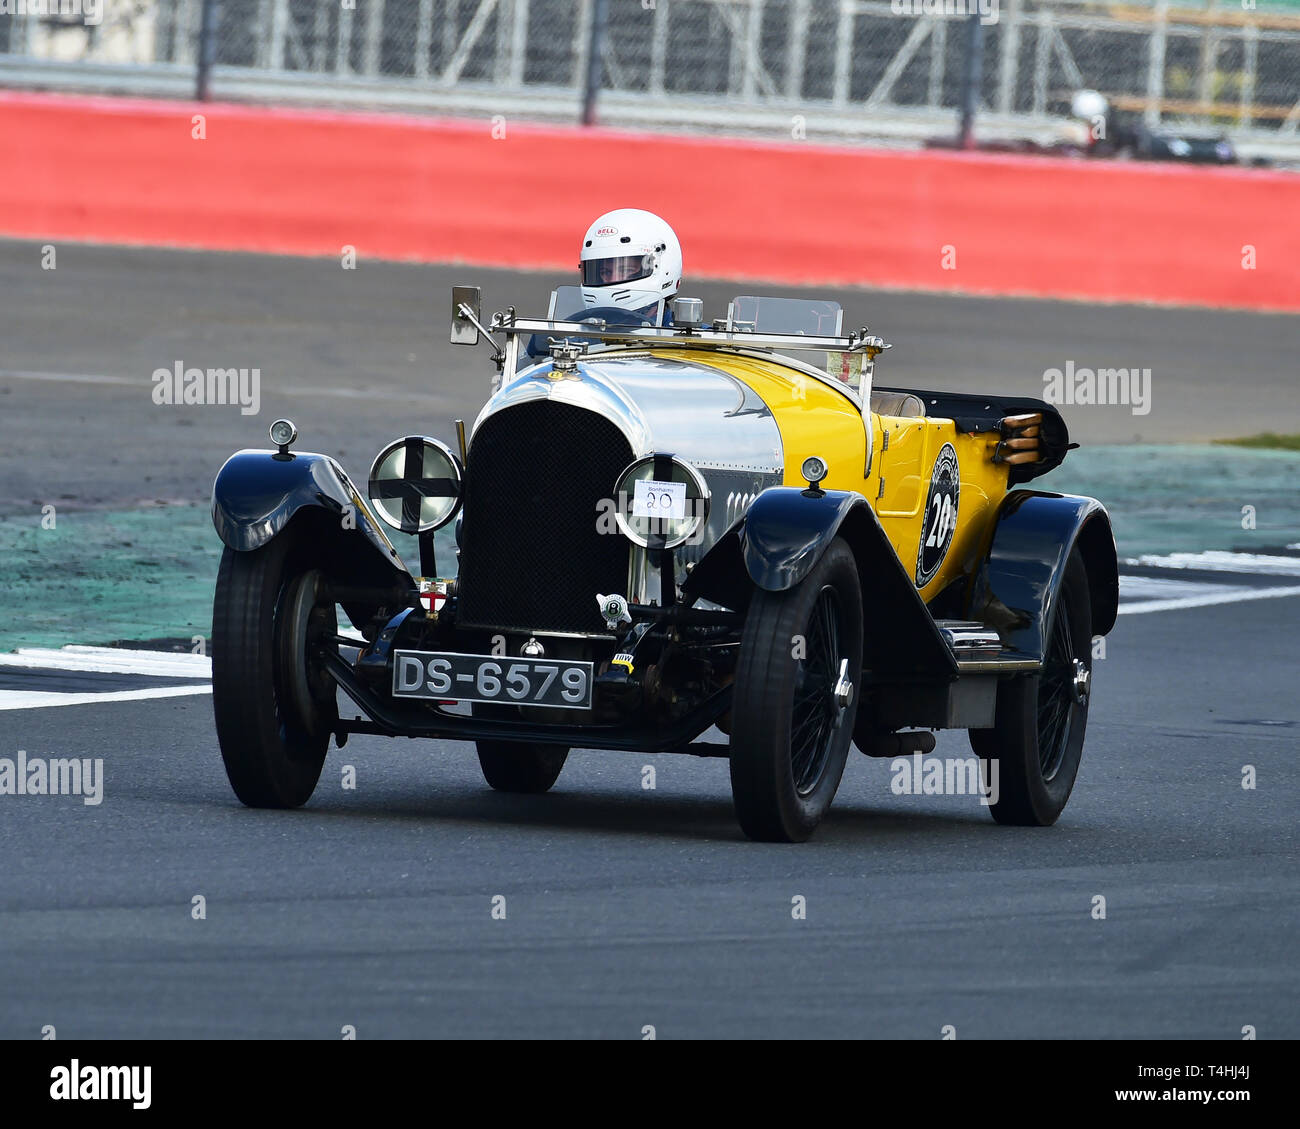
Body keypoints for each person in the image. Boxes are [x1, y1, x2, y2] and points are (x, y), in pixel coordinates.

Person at [576, 208, 682, 327]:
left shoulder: (690, 342)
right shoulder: (577, 339)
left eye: (626, 270)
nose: (611, 280)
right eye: (604, 272)